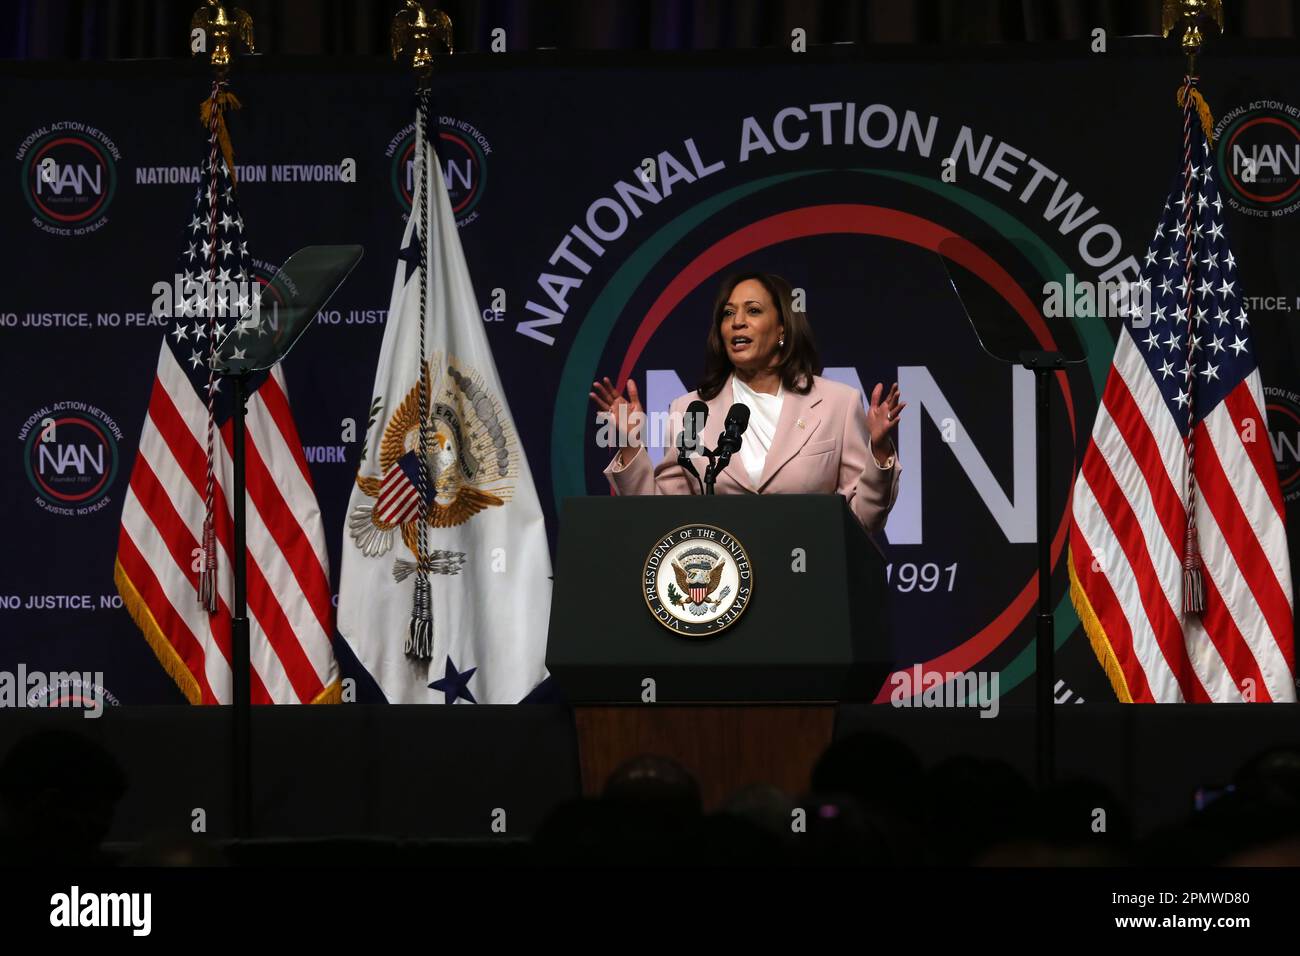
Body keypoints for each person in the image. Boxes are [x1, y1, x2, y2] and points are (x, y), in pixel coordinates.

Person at [590, 271, 903, 535]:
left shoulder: (837, 403)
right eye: (728, 313)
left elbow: (865, 520)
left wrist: (879, 451)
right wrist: (631, 444)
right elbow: (664, 520)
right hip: (722, 593)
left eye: (753, 310)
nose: (737, 322)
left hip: (809, 581)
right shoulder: (691, 411)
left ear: (782, 328)